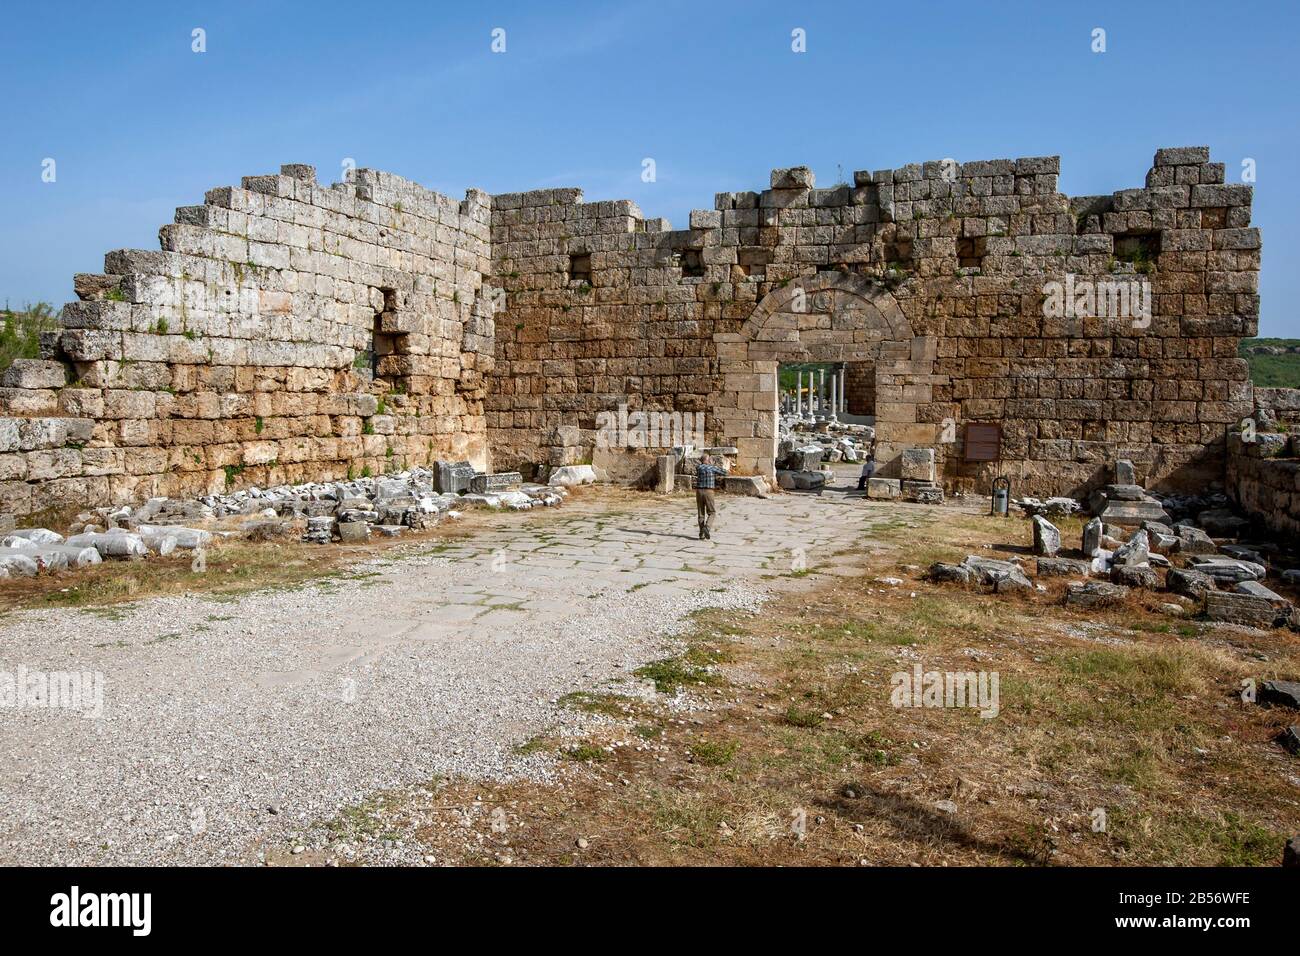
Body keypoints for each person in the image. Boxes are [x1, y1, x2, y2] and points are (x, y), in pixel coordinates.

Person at [694, 456, 725, 540]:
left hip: (699, 491)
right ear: (707, 460)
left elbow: (701, 468)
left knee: (701, 513)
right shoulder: (712, 467)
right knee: (712, 512)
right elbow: (724, 472)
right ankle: (707, 528)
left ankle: (701, 534)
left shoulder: (698, 467)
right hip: (709, 491)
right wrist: (713, 464)